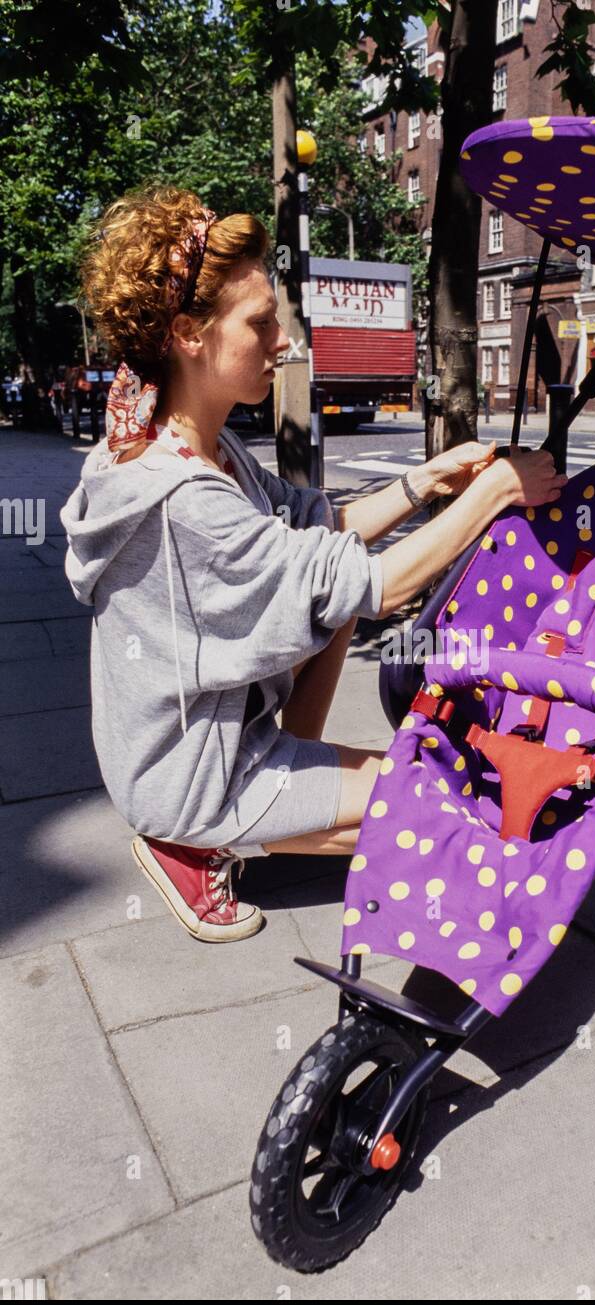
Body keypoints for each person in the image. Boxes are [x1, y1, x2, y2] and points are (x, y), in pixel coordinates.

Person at [60, 184, 566, 944]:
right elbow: (376, 584)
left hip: (202, 738)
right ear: (189, 333)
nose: (283, 342)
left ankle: (278, 789)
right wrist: (496, 492)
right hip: (195, 776)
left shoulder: (196, 445)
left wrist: (425, 481)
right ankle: (192, 843)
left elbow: (319, 530)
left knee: (330, 591)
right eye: (261, 323)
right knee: (437, 803)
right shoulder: (183, 499)